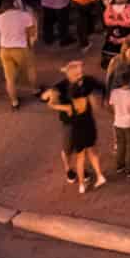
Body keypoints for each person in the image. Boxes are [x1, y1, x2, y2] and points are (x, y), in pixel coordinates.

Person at [42, 59, 110, 193]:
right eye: (77, 74)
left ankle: (82, 182)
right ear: (69, 75)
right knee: (69, 149)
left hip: (82, 123)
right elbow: (52, 93)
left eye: (81, 73)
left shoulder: (86, 82)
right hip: (71, 123)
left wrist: (104, 99)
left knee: (82, 153)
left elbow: (101, 86)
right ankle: (70, 170)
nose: (80, 77)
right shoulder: (62, 86)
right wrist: (50, 95)